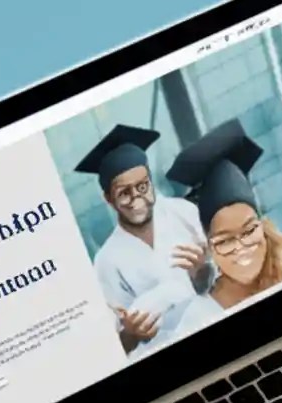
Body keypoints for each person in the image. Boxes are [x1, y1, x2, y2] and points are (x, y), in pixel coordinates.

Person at [162, 120, 282, 339]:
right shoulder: (198, 320)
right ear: (209, 246)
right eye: (224, 240)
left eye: (249, 230)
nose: (242, 247)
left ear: (263, 227)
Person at [74, 124, 213, 356]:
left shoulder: (183, 213)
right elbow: (117, 344)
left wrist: (202, 273)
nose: (137, 198)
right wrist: (131, 334)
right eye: (124, 193)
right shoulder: (107, 261)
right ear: (108, 198)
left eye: (142, 186)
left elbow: (227, 275)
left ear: (150, 182)